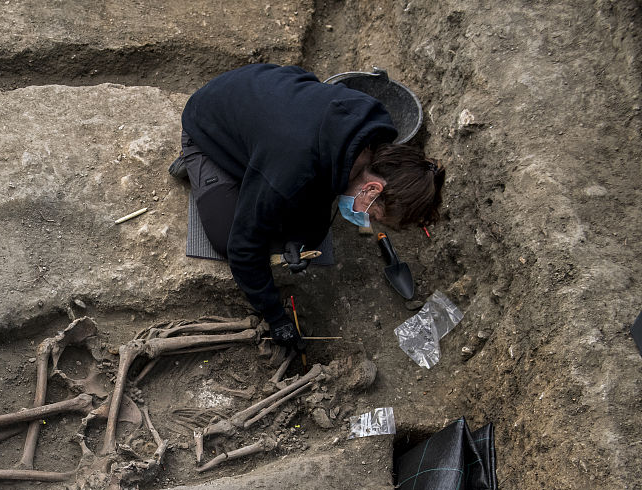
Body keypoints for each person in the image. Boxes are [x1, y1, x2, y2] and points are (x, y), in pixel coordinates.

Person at [173, 63, 445, 351]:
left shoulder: (373, 127)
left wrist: (303, 238)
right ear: (373, 188)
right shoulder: (292, 170)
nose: (368, 220)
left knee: (287, 208)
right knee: (227, 239)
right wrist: (276, 318)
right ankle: (198, 158)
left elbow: (327, 184)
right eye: (375, 214)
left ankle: (251, 164)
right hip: (209, 120)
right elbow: (243, 251)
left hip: (265, 95)